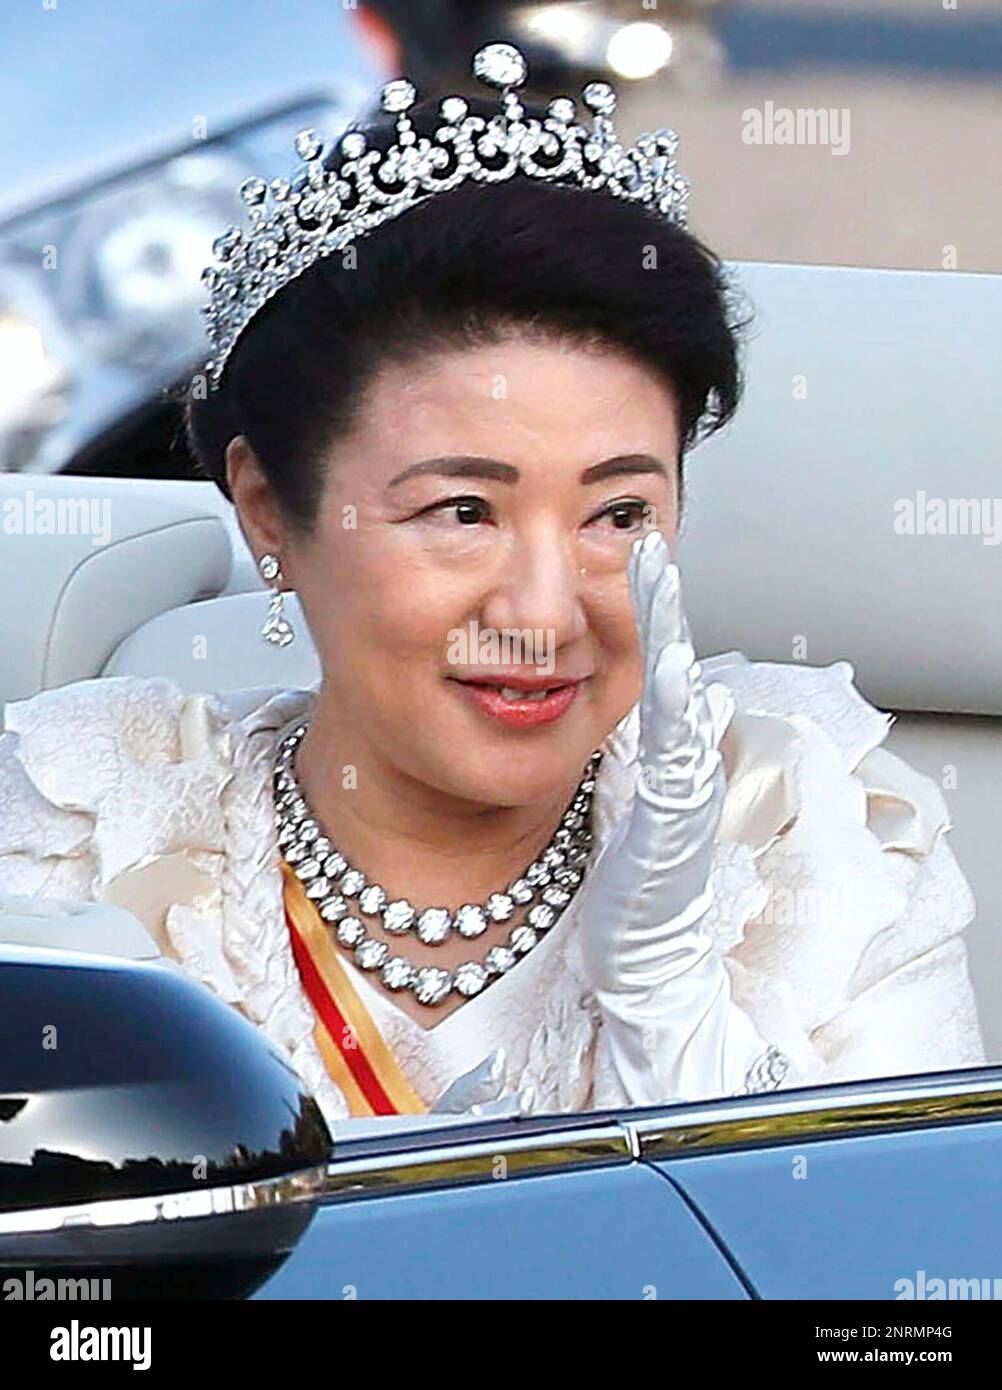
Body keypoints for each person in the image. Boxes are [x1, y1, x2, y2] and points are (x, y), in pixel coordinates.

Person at [0, 44, 984, 1128]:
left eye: (618, 515)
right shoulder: (82, 832)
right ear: (270, 507)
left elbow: (872, 1277)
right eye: (463, 513)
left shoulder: (807, 833)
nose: (545, 612)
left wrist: (671, 1009)